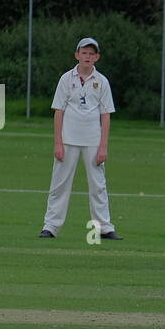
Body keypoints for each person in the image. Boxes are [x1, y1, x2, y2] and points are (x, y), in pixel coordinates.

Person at [39, 37, 120, 240]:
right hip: (68, 140)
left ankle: (104, 228)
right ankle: (51, 227)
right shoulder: (66, 79)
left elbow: (106, 114)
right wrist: (58, 143)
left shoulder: (102, 82)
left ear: (97, 57)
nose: (87, 56)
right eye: (84, 53)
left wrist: (103, 146)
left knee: (98, 185)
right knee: (60, 184)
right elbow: (58, 111)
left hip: (93, 140)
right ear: (77, 55)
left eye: (91, 53)